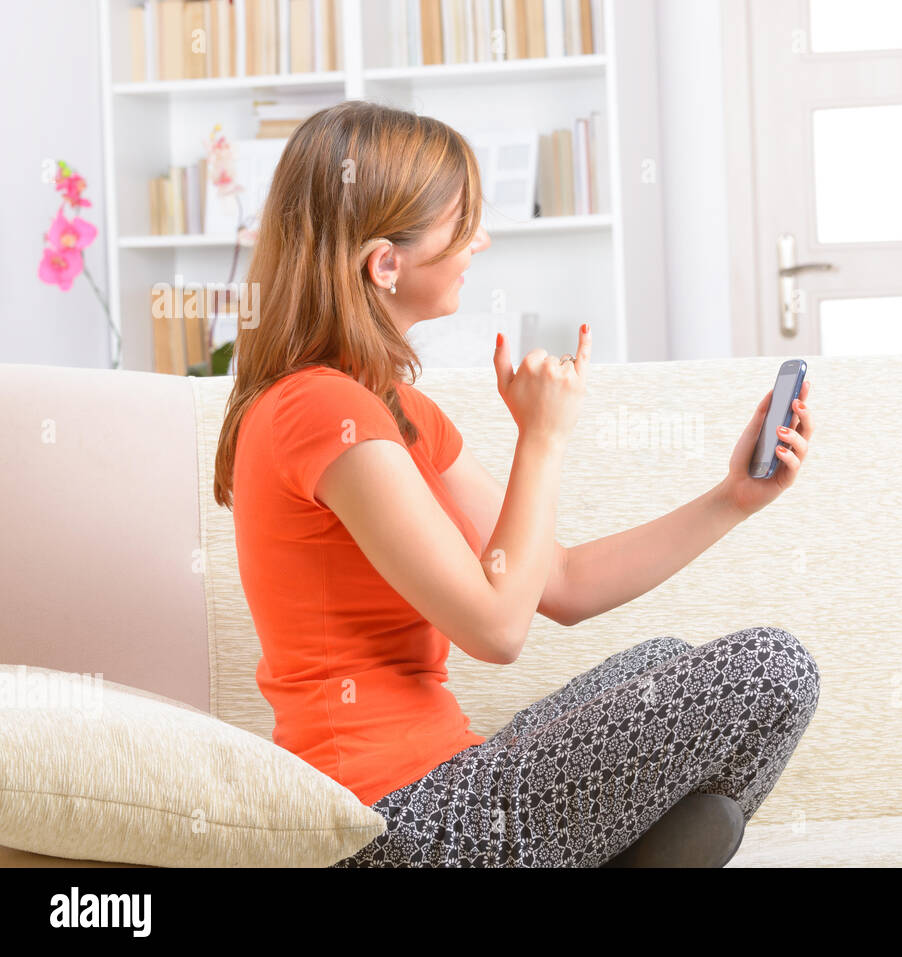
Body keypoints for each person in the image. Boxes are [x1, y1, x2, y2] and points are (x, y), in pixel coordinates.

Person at [212, 100, 819, 867]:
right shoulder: (320, 409)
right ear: (384, 263)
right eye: (458, 223)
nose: (480, 241)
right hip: (394, 823)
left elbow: (557, 581)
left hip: (450, 776)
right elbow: (498, 628)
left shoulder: (392, 409)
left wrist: (732, 497)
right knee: (773, 668)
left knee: (660, 658)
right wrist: (542, 436)